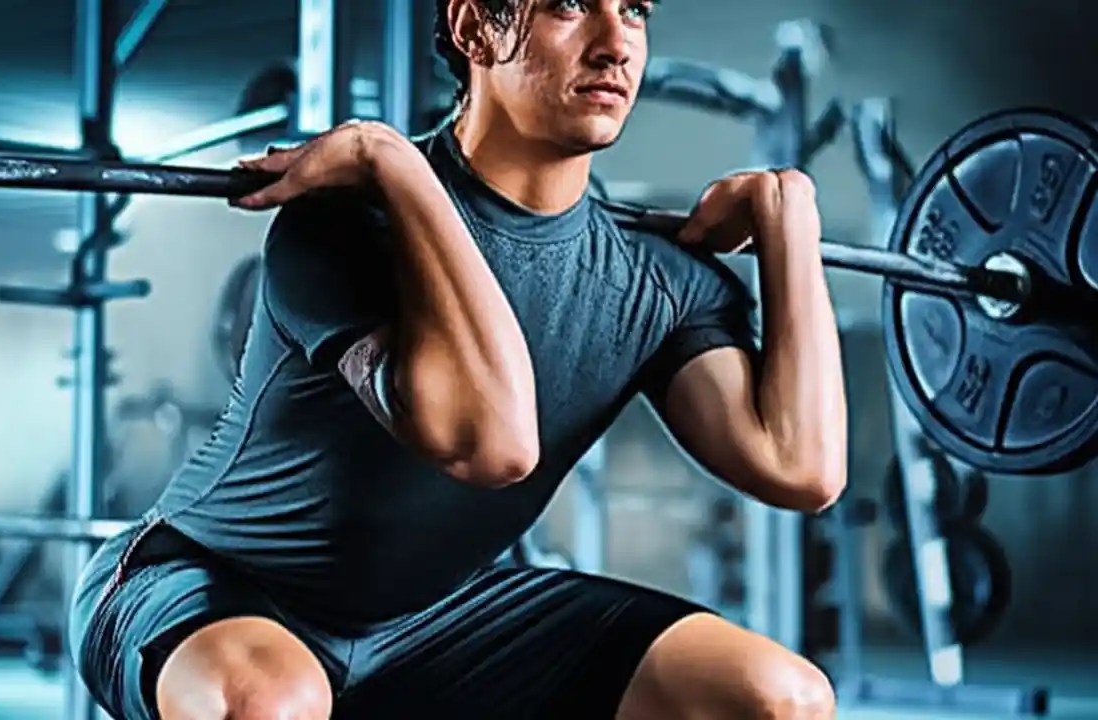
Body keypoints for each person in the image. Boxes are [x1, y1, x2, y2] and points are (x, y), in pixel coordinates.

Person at [69, 0, 848, 717]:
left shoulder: (659, 281)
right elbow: (491, 443)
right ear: (476, 27)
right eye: (570, 6)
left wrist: (791, 222)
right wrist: (398, 166)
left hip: (434, 618)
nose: (616, 44)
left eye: (635, 10)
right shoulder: (342, 223)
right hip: (209, 584)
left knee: (782, 700)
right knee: (272, 703)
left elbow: (801, 467)